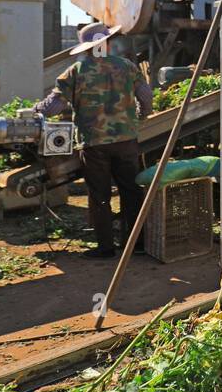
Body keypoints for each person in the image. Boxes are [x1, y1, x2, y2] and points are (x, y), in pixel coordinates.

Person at [36, 23, 152, 258]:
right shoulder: (127, 66)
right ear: (106, 42)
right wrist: (141, 115)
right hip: (126, 139)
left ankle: (105, 247)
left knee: (100, 195)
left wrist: (35, 111)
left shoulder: (76, 71)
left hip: (94, 143)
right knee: (131, 190)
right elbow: (145, 95)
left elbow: (54, 107)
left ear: (87, 47)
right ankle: (136, 244)